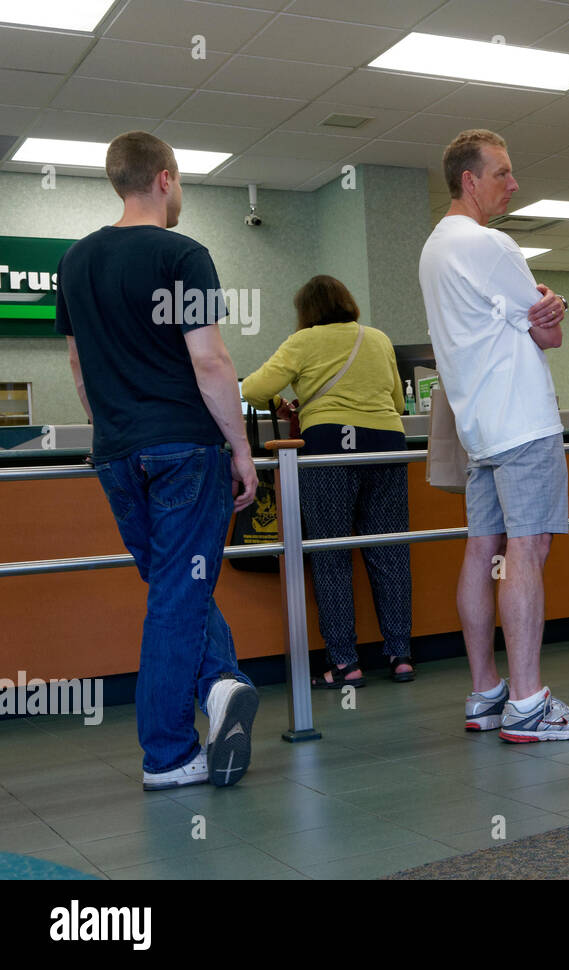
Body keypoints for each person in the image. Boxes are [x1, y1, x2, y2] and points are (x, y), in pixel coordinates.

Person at [56, 131, 259, 790]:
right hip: (185, 450)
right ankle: (168, 755)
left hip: (115, 455)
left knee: (176, 587)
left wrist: (109, 430)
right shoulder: (183, 253)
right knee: (176, 595)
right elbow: (210, 360)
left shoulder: (76, 262)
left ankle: (223, 683)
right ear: (165, 179)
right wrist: (240, 447)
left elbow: (80, 368)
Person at [418, 128, 569, 742]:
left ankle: (486, 693)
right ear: (469, 180)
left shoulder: (435, 249)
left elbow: (531, 321)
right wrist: (551, 308)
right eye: (502, 173)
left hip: (479, 429)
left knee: (483, 552)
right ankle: (528, 704)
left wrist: (541, 311)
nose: (514, 183)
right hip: (522, 423)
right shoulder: (492, 245)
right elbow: (549, 334)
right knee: (526, 553)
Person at [242, 275, 417, 686]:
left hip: (330, 449)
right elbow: (395, 401)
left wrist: (287, 402)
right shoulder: (377, 338)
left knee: (331, 553)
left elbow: (253, 389)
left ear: (307, 311)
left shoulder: (303, 341)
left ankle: (345, 664)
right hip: (387, 445)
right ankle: (401, 655)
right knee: (390, 550)